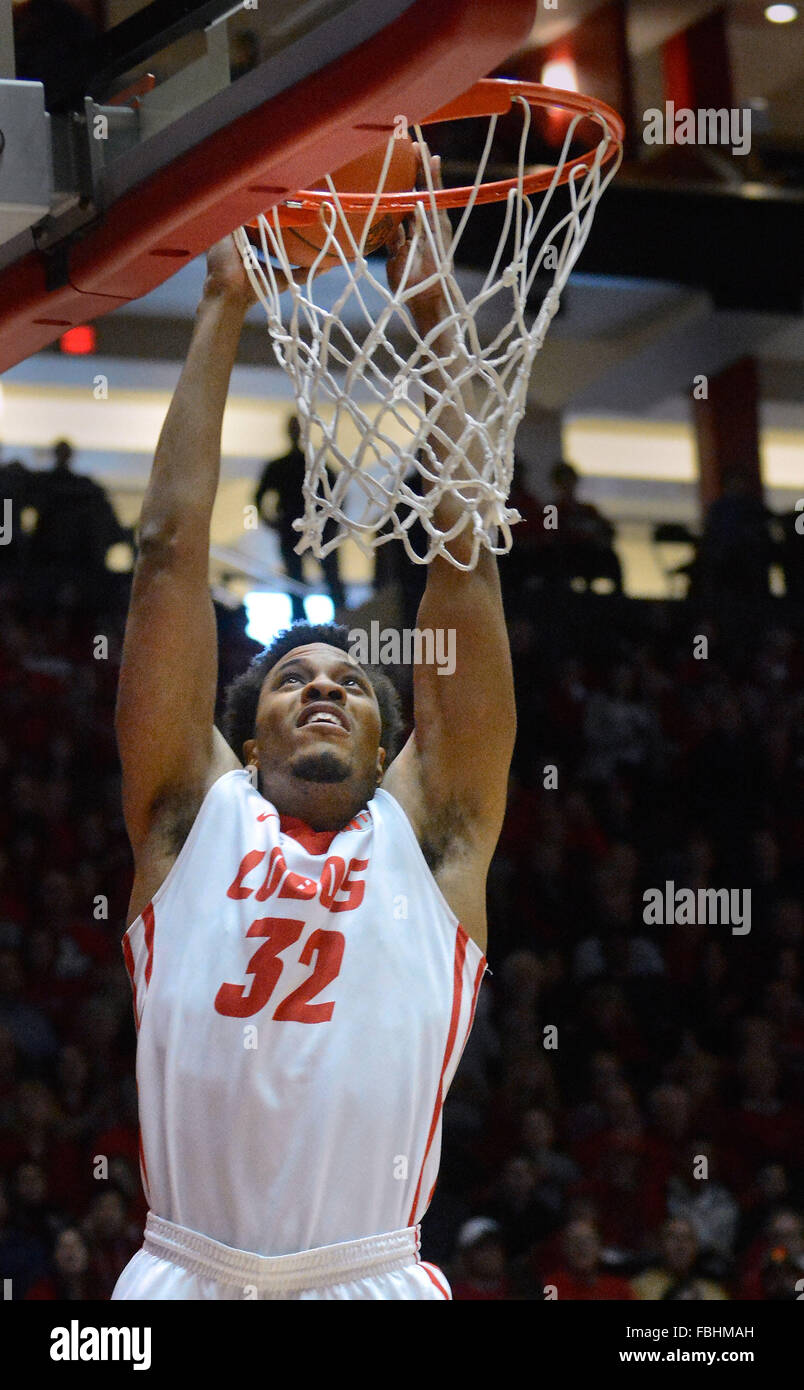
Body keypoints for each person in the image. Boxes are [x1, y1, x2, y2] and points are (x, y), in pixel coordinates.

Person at [111, 147, 516, 1301]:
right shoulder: (188, 820)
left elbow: (465, 568)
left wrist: (436, 301)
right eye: (293, 679)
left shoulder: (436, 839)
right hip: (181, 1271)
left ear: (392, 753)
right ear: (248, 744)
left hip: (370, 1274)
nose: (326, 684)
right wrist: (224, 304)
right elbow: (166, 562)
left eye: (350, 680)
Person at [254, 416, 346, 620]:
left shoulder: (314, 463)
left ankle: (341, 620)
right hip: (294, 528)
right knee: (296, 580)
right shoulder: (288, 465)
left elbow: (337, 493)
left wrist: (333, 524)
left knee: (328, 579)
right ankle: (305, 623)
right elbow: (259, 497)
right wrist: (269, 521)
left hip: (314, 528)